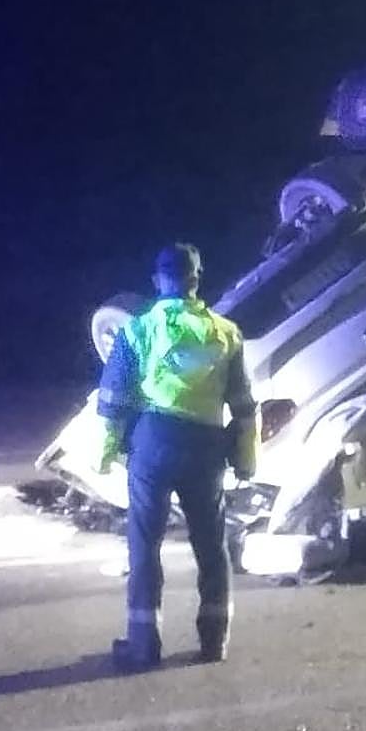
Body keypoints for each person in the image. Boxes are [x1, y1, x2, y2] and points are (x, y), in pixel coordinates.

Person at [94, 243, 258, 672]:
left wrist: (105, 453)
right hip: (206, 448)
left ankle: (143, 646)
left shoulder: (139, 330)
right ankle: (214, 640)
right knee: (211, 545)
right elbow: (243, 404)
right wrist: (246, 459)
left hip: (154, 444)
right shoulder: (226, 332)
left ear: (157, 280)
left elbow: (112, 399)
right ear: (197, 279)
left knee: (145, 545)